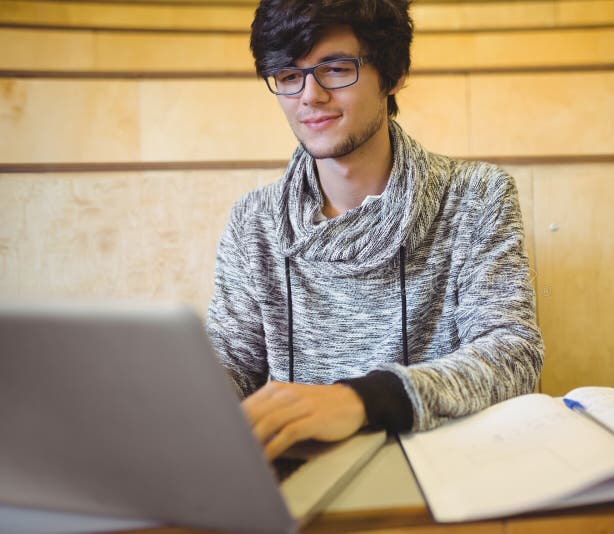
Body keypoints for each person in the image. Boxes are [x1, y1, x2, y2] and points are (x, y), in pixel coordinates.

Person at [207, 0, 543, 460]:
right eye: (289, 75)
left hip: (446, 471)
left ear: (394, 73)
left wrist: (362, 401)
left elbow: (513, 355)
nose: (309, 95)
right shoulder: (254, 221)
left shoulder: (476, 196)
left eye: (336, 68)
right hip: (300, 477)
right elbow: (227, 362)